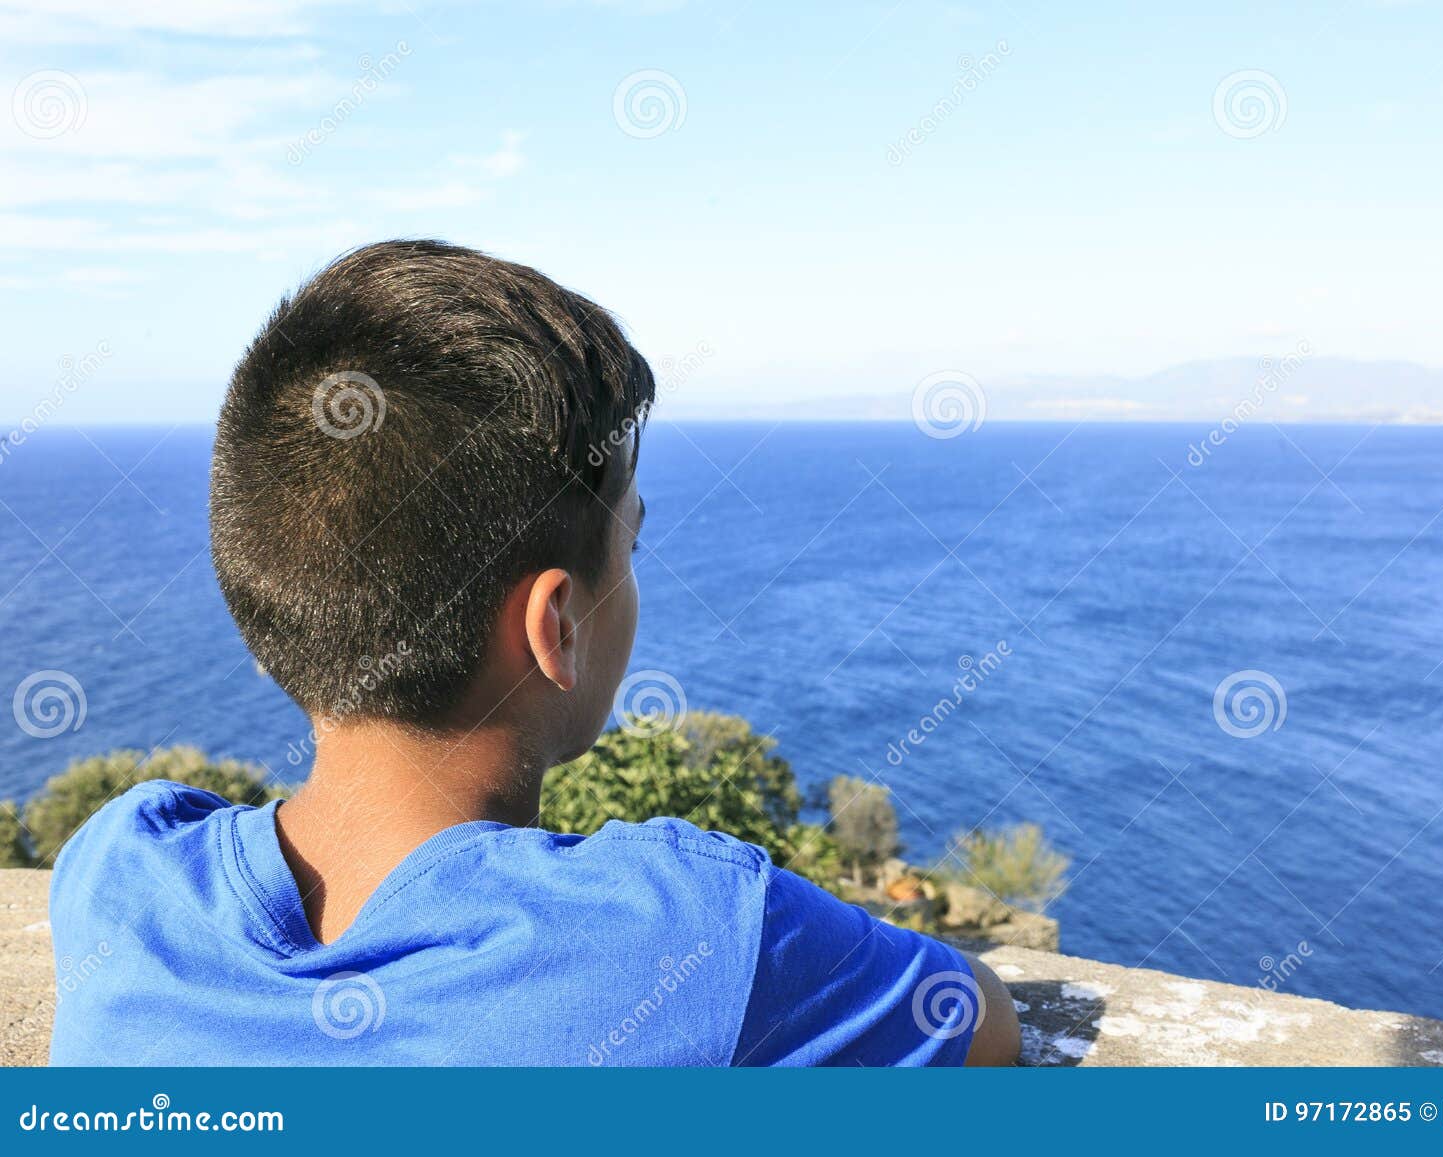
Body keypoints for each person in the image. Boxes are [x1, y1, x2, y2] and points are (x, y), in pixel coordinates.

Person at [48, 240, 1020, 1066]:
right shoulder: (689, 932)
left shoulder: (116, 877)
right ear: (552, 628)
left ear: (273, 617)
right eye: (628, 546)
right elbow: (979, 1020)